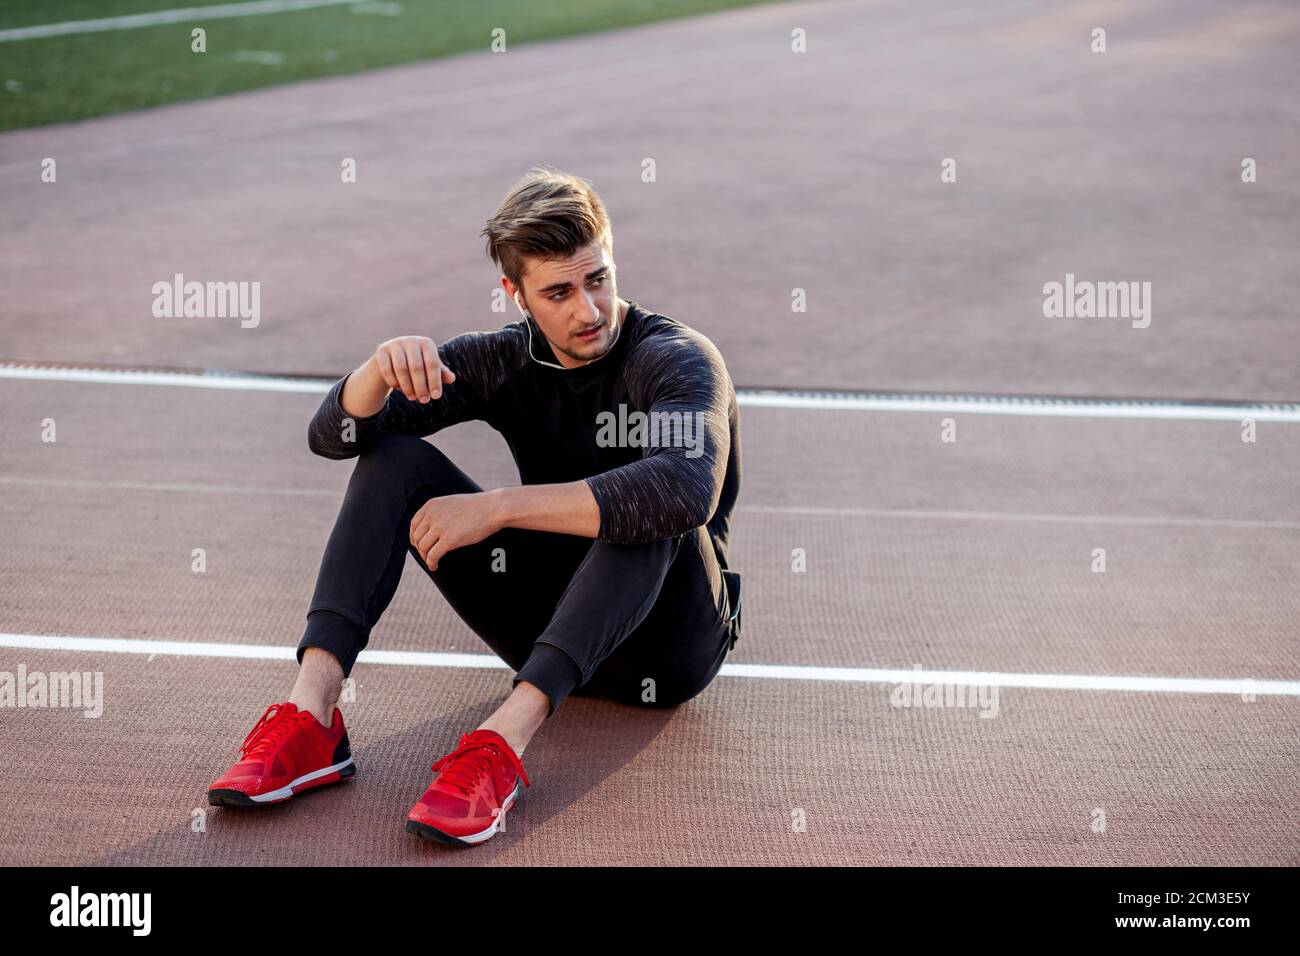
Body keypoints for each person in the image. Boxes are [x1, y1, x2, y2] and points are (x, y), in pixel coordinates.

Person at [206, 165, 743, 847]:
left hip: (671, 646)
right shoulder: (502, 361)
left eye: (598, 279)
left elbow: (685, 490)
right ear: (514, 293)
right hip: (552, 626)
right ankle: (312, 713)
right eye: (558, 292)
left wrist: (497, 508)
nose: (588, 310)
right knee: (393, 458)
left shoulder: (675, 359)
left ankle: (501, 744)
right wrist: (374, 372)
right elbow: (332, 439)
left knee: (650, 501)